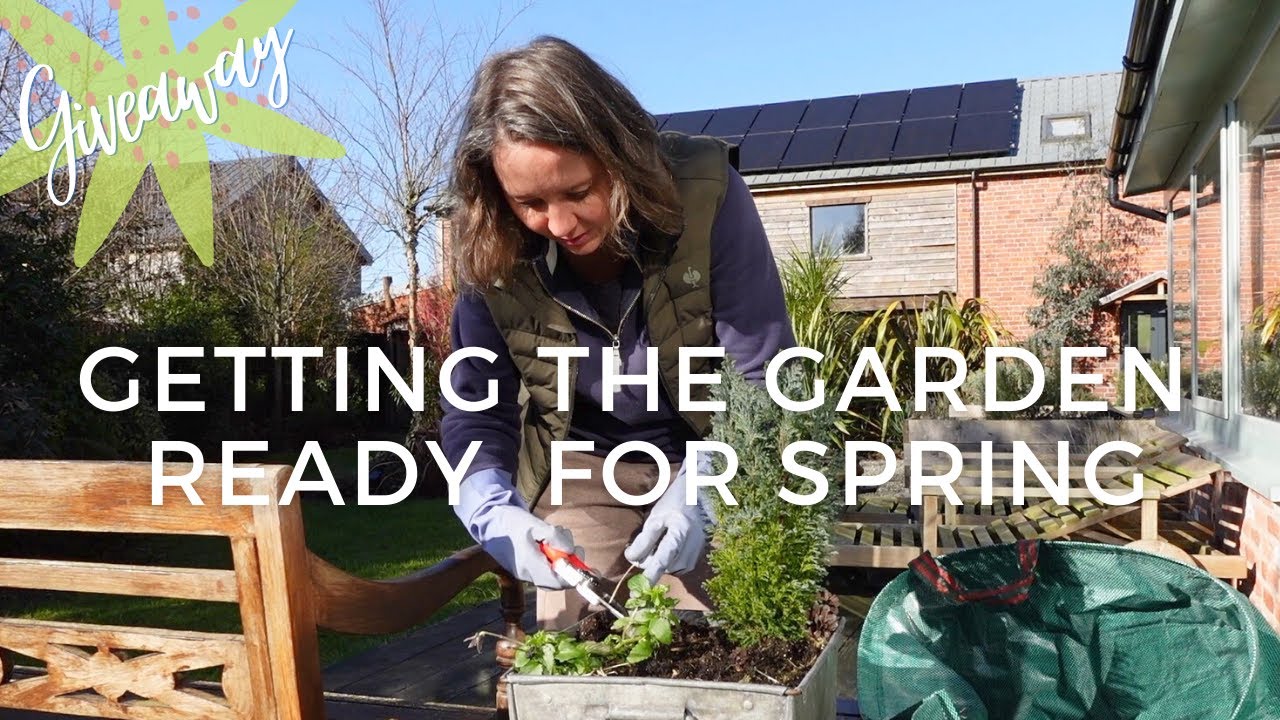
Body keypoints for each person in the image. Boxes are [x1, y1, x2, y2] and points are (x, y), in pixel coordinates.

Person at [441, 36, 794, 629]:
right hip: (583, 462)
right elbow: (477, 404)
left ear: (620, 156)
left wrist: (705, 488)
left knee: (717, 635)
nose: (560, 224)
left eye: (579, 192)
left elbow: (762, 373)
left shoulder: (706, 195)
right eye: (530, 203)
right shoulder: (489, 240)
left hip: (707, 446)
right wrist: (488, 505)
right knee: (577, 638)